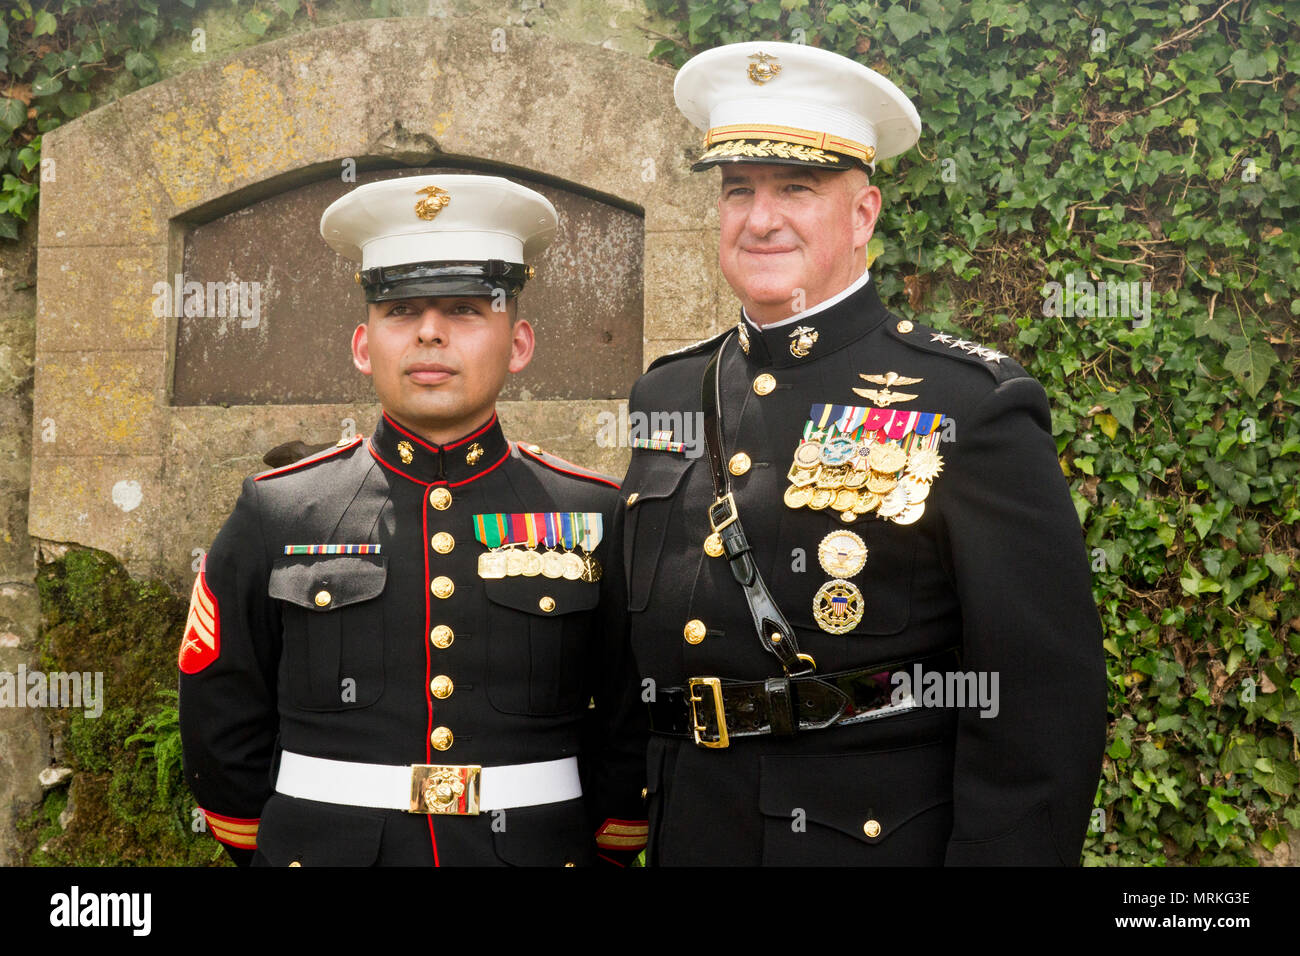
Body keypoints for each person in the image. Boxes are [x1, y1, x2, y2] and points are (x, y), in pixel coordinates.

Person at [619, 41, 1106, 865]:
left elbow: (1041, 706)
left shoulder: (968, 403)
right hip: (690, 833)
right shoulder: (666, 395)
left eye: (797, 190)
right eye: (739, 192)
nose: (760, 218)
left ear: (864, 215)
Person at [178, 174, 647, 867]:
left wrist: (604, 845)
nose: (430, 332)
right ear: (364, 345)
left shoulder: (594, 512)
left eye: (463, 310)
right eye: (400, 311)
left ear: (518, 344)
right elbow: (221, 705)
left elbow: (627, 714)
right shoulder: (278, 508)